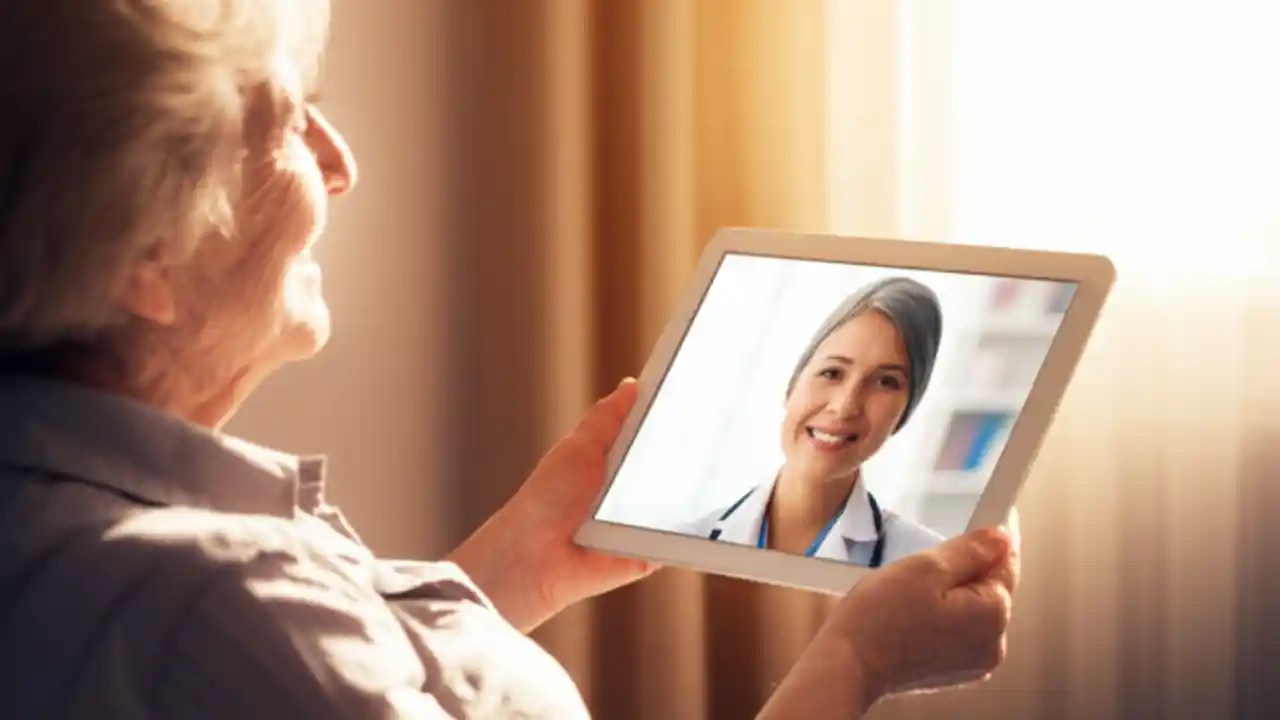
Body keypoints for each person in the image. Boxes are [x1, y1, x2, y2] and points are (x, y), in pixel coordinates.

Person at [0, 2, 1019, 718]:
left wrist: (509, 569)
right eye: (278, 124)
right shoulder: (215, 609)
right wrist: (855, 659)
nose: (339, 161)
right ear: (150, 250)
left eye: (885, 379)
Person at [684, 278, 947, 566]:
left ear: (904, 414)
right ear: (792, 386)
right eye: (832, 373)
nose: (845, 407)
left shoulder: (928, 567)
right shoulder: (678, 546)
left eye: (886, 382)